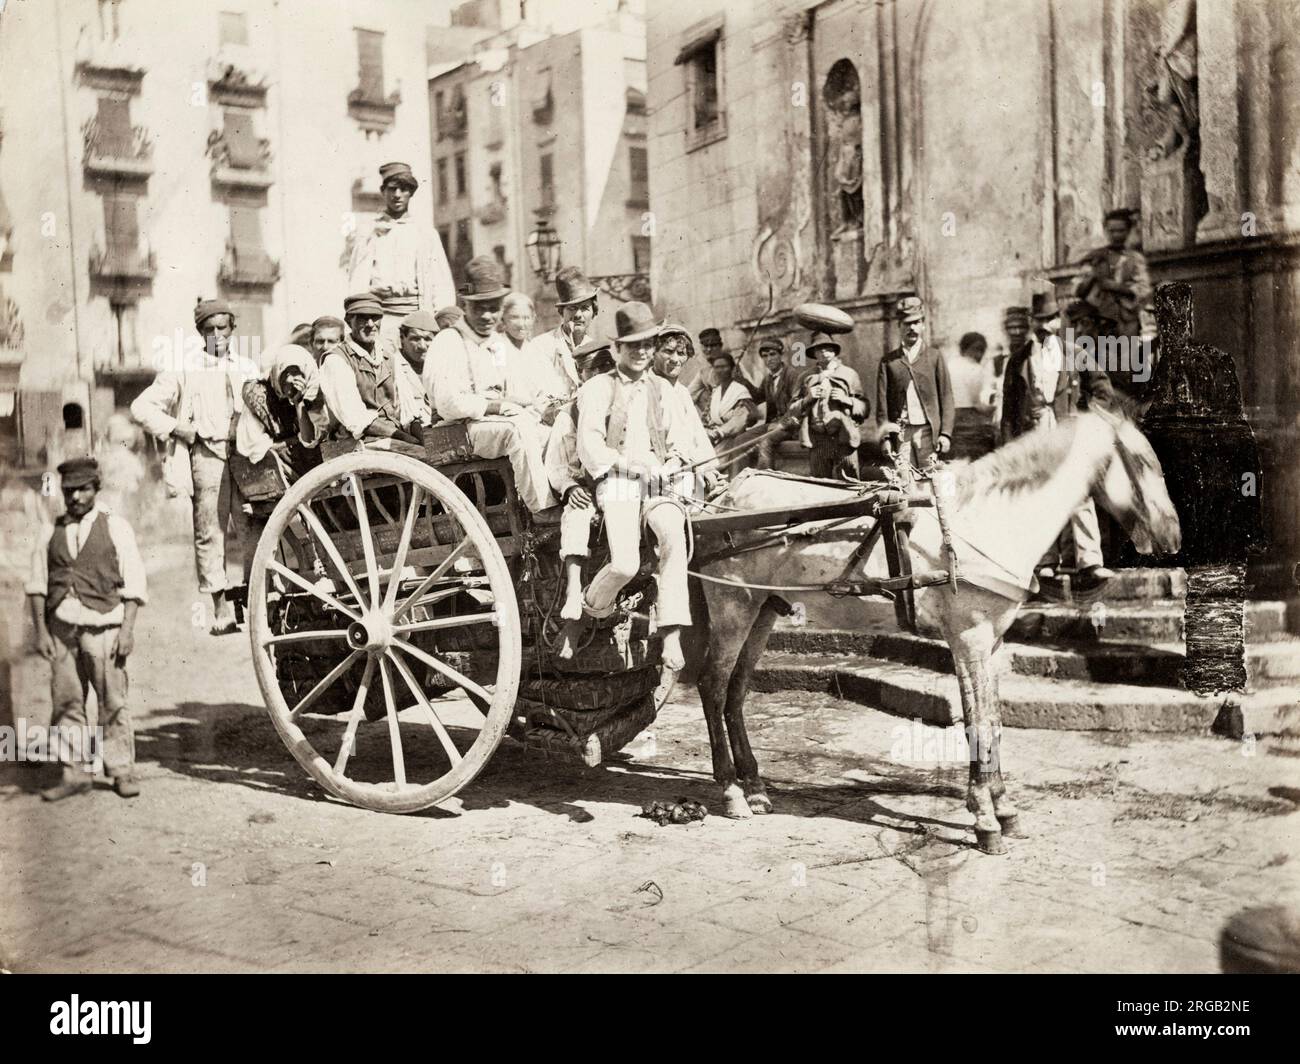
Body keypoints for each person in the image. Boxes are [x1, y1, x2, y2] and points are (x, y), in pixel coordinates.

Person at [575, 302, 694, 670]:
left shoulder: (663, 390)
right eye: (633, 346)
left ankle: (672, 631)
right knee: (624, 564)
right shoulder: (597, 388)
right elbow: (590, 447)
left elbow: (680, 443)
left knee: (674, 530)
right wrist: (631, 468)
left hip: (658, 485)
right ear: (617, 350)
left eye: (646, 345)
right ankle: (593, 608)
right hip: (618, 482)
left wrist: (671, 465)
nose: (641, 353)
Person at [131, 297, 257, 635]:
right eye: (210, 329)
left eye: (223, 328)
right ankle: (220, 610)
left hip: (245, 456)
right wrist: (178, 428)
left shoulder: (247, 367)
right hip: (206, 456)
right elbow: (141, 407)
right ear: (201, 332)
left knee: (252, 527)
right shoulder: (183, 367)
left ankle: (256, 602)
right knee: (209, 531)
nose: (217, 335)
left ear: (233, 328)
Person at [26, 457, 147, 801]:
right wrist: (41, 632)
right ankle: (74, 773)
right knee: (67, 703)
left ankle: (121, 770)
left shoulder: (115, 527)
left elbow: (135, 584)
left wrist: (127, 631)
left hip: (105, 628)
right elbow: (36, 584)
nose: (76, 497)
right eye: (69, 491)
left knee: (113, 702)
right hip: (63, 630)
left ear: (96, 487)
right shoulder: (51, 529)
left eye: (83, 489)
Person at [424, 256, 556, 513]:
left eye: (493, 308)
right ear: (464, 305)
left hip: (487, 426)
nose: (487, 315)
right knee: (517, 431)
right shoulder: (450, 341)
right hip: (456, 430)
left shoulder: (496, 343)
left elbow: (515, 390)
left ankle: (563, 493)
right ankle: (542, 508)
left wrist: (536, 408)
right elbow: (449, 404)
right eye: (479, 307)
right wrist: (497, 406)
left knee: (554, 435)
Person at [1001, 297, 1116, 588]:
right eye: (1038, 320)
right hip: (1035, 432)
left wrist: (1088, 420)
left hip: (1069, 429)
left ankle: (1090, 561)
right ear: (1031, 321)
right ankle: (1046, 562)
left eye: (1050, 319)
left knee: (1079, 493)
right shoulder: (1018, 360)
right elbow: (1009, 410)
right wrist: (1009, 446)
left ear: (1058, 320)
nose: (1044, 326)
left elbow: (1102, 389)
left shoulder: (1074, 353)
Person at [544, 335, 616, 643]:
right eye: (593, 369)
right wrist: (570, 486)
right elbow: (558, 461)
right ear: (581, 373)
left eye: (607, 367)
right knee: (577, 513)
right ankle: (574, 588)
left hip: (620, 485)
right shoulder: (571, 411)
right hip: (586, 486)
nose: (601, 375)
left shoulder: (621, 404)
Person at [346, 161, 455, 344]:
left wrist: (439, 323)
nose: (397, 195)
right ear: (383, 191)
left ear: (411, 192)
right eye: (392, 189)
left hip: (417, 319)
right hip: (380, 320)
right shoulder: (369, 233)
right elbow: (357, 281)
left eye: (403, 189)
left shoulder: (425, 234)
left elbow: (441, 283)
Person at [318, 292, 428, 453]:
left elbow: (408, 413)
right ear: (349, 321)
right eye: (362, 317)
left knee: (437, 448)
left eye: (375, 317)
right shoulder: (336, 360)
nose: (370, 324)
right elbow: (356, 420)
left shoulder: (389, 357)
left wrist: (422, 439)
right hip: (356, 444)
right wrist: (408, 439)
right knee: (422, 455)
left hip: (393, 439)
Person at [1073, 207, 1154, 398]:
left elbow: (1143, 290)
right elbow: (1077, 289)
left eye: (1121, 230)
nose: (1116, 235)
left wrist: (1113, 286)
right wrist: (1090, 278)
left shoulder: (1135, 260)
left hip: (1127, 322)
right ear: (1105, 230)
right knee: (1100, 367)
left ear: (1128, 231)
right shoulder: (1095, 258)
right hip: (1100, 322)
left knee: (1127, 369)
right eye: (1112, 230)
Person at [876, 295, 954, 471]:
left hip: (928, 431)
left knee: (933, 481)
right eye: (906, 323)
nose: (912, 328)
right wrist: (885, 438)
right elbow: (882, 405)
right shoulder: (889, 362)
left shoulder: (934, 357)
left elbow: (947, 397)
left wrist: (945, 434)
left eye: (916, 322)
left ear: (923, 324)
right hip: (901, 434)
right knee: (904, 482)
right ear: (899, 326)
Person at [235, 344, 324, 478]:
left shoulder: (310, 394)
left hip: (304, 463)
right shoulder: (258, 394)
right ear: (278, 371)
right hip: (273, 469)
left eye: (301, 373)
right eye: (290, 373)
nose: (295, 380)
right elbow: (253, 448)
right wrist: (292, 441)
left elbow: (309, 440)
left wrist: (298, 403)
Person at [797, 331, 867, 478]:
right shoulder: (806, 378)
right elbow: (791, 409)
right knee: (820, 484)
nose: (824, 352)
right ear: (814, 353)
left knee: (850, 481)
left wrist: (847, 400)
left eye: (828, 348)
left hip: (844, 437)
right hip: (818, 440)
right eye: (819, 349)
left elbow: (865, 407)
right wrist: (807, 398)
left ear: (835, 351)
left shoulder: (849, 374)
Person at [524, 267, 598, 398]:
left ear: (594, 312)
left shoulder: (597, 350)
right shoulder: (540, 346)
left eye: (585, 308)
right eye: (572, 308)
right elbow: (539, 397)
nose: (578, 315)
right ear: (561, 312)